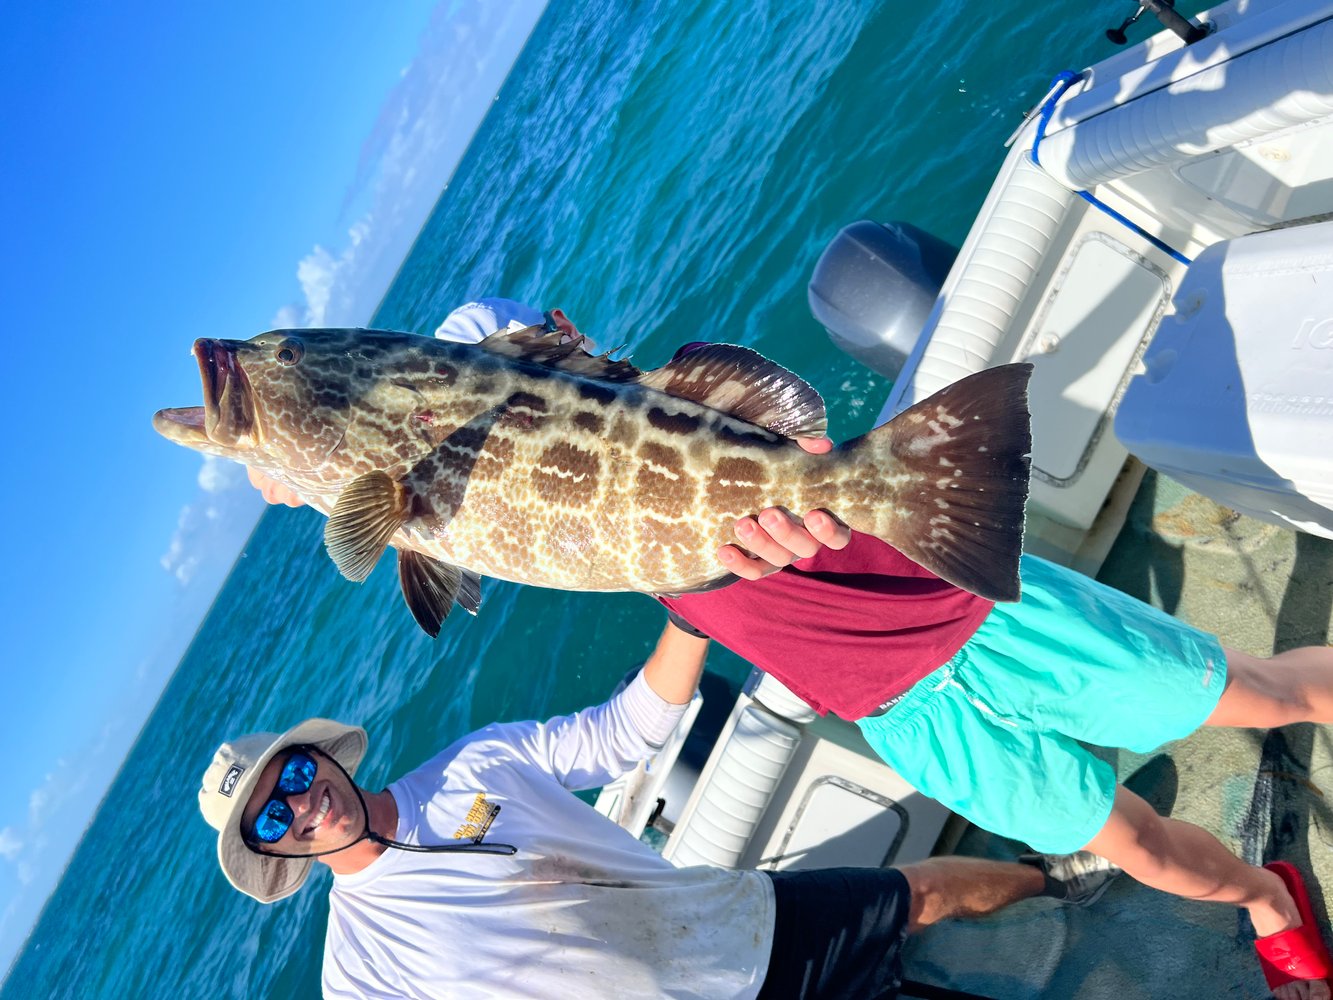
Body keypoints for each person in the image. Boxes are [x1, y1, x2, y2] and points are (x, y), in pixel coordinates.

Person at [251, 298, 1333, 998]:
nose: (534, 396)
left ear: (568, 340)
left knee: (1262, 693)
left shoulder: (692, 419)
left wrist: (821, 487)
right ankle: (1266, 898)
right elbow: (370, 489)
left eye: (542, 356)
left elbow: (803, 444)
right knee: (1137, 847)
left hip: (977, 617)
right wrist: (293, 463)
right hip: (906, 713)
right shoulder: (558, 513)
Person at [201, 593, 1113, 999]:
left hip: (743, 924)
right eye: (275, 816)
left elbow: (621, 733)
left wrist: (691, 610)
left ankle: (1057, 878)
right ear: (274, 852)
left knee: (926, 894)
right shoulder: (355, 968)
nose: (302, 803)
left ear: (318, 758)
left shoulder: (473, 764)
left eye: (293, 775)